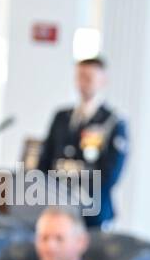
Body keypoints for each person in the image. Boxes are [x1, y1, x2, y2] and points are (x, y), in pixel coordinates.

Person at [36, 57, 128, 229]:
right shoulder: (61, 117)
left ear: (102, 80)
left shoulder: (112, 122)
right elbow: (45, 160)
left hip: (92, 209)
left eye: (89, 77)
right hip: (57, 204)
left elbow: (111, 173)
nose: (83, 83)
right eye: (80, 77)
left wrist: (83, 195)